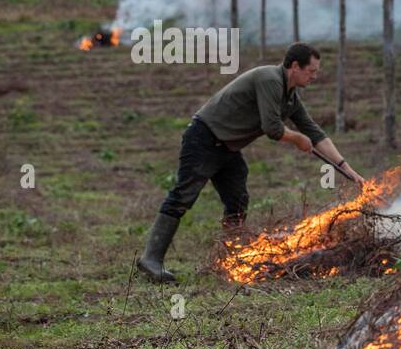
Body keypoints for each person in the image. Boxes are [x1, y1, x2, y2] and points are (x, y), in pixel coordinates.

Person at [136, 42, 365, 283]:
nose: (315, 76)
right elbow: (272, 128)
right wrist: (297, 139)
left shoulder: (290, 98)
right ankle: (151, 259)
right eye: (312, 71)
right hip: (204, 138)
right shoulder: (270, 80)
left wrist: (348, 170)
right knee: (183, 196)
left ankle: (229, 258)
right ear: (295, 66)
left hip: (226, 147)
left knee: (237, 200)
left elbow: (315, 133)